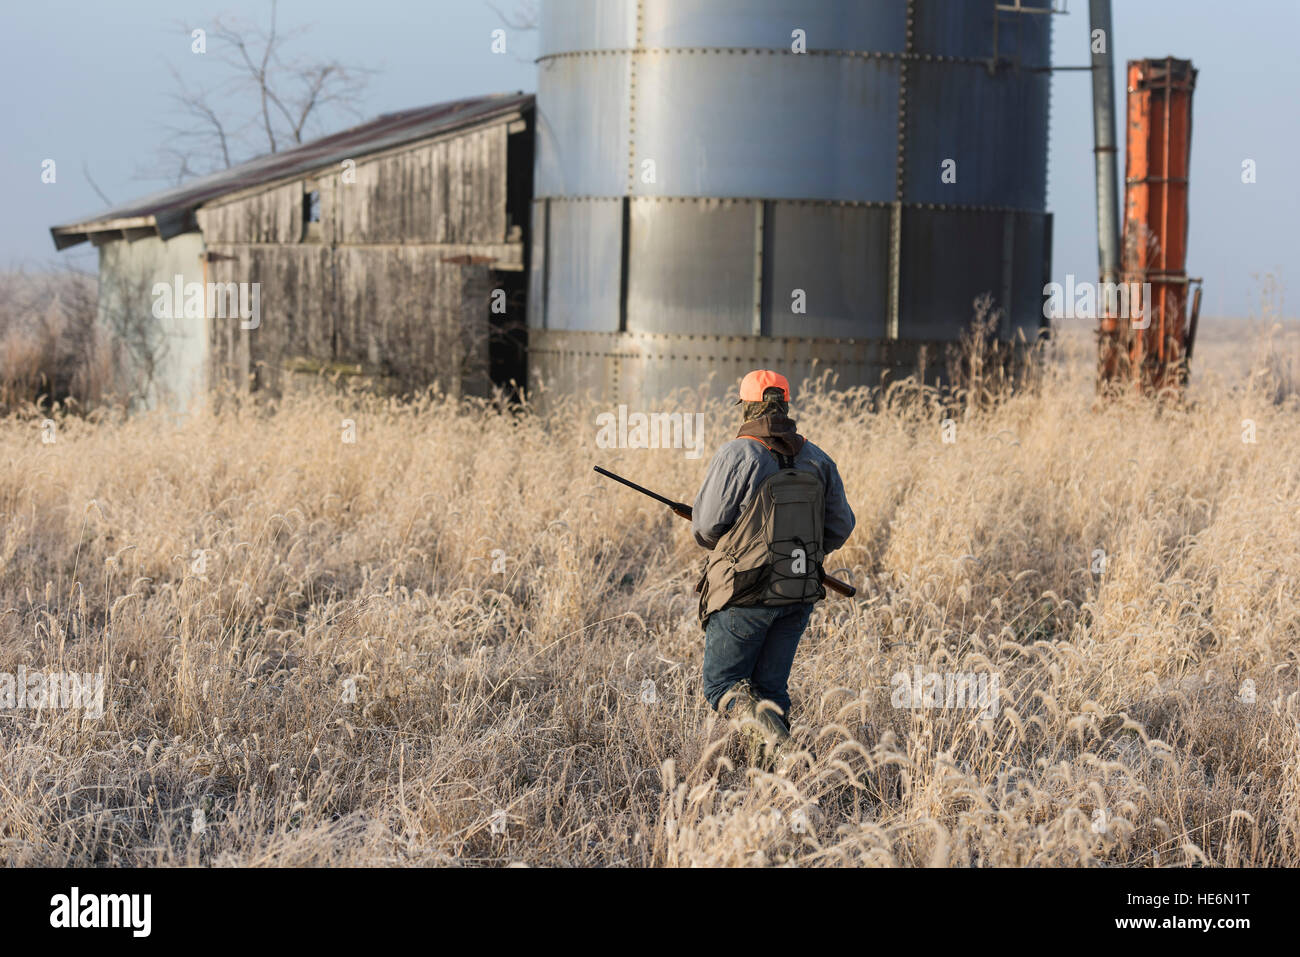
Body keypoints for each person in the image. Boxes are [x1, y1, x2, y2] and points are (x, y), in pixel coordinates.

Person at [692, 370, 855, 758]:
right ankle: (774, 786)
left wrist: (740, 544)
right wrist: (797, 554)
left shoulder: (737, 453)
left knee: (723, 685)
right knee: (769, 690)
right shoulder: (817, 457)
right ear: (785, 404)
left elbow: (706, 528)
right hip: (798, 593)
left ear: (747, 406)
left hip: (744, 594)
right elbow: (840, 526)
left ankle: (781, 754)